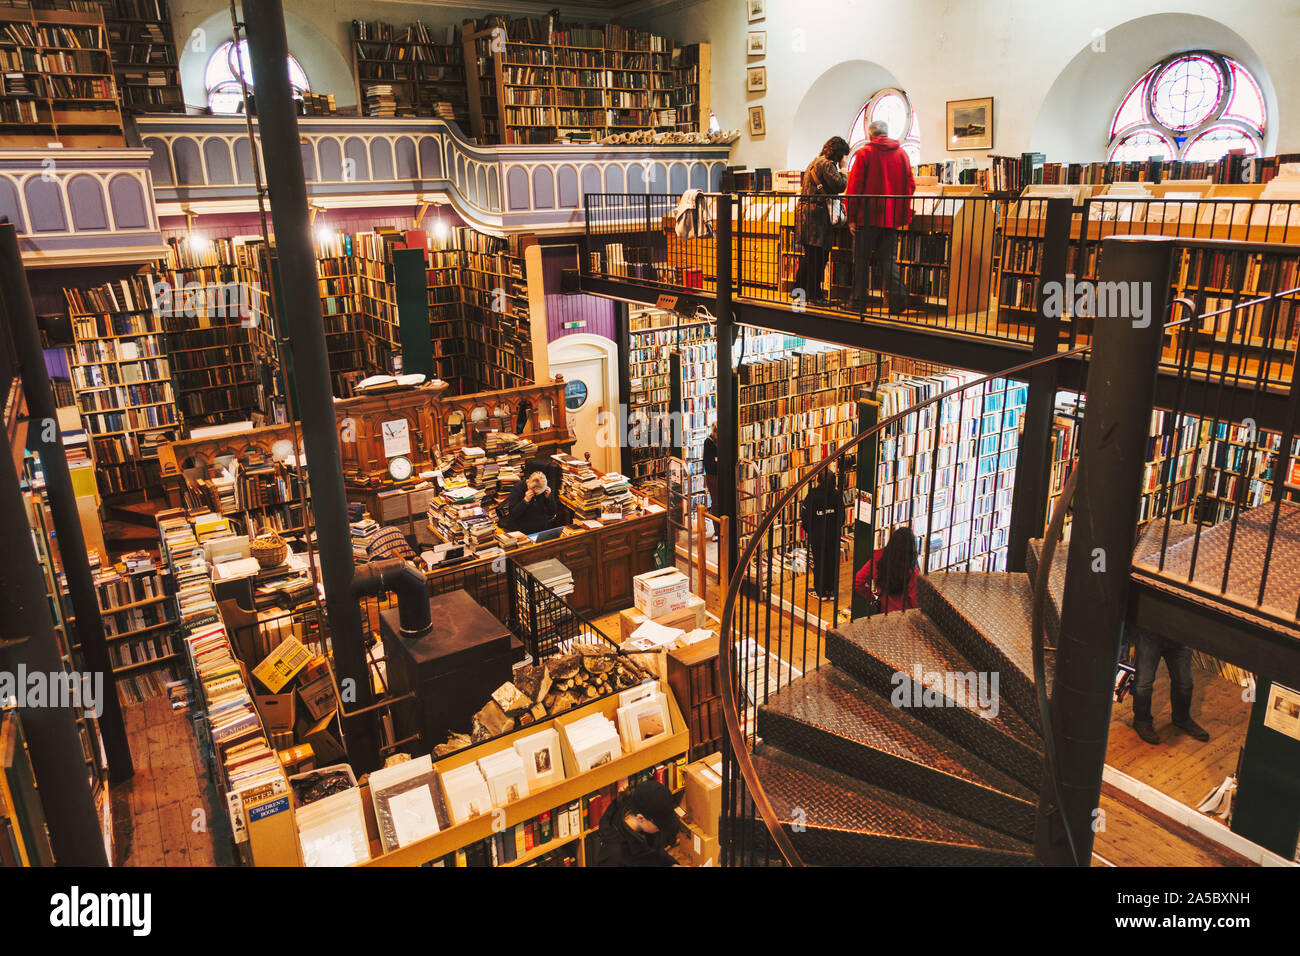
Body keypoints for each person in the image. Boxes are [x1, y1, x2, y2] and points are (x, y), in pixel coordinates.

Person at [846, 120, 916, 315]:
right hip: (890, 217)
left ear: (870, 135)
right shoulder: (902, 154)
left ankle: (858, 302)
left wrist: (851, 216)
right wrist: (901, 211)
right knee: (888, 260)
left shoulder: (864, 153)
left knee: (861, 260)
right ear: (887, 133)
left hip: (866, 217)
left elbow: (855, 187)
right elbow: (911, 184)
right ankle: (898, 300)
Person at [793, 136, 850, 306]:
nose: (844, 159)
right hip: (816, 216)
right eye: (843, 155)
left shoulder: (814, 162)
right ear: (838, 154)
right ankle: (815, 296)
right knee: (819, 257)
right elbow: (840, 185)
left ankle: (799, 291)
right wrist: (844, 172)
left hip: (806, 214)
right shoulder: (826, 164)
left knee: (810, 256)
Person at [1130, 626, 1210, 745]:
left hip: (1181, 635)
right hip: (1151, 633)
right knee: (1143, 683)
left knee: (1184, 683)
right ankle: (1141, 721)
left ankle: (1182, 719)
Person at [591, 780, 683, 867]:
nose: (660, 830)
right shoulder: (614, 856)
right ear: (640, 818)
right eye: (659, 826)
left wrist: (671, 864)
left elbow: (656, 852)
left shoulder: (646, 820)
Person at [800, 470, 844, 599]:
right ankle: (831, 591)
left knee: (819, 562)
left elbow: (805, 518)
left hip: (818, 536)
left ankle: (820, 591)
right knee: (832, 561)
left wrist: (812, 531)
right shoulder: (837, 495)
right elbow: (842, 517)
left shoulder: (812, 496)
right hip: (833, 535)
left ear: (818, 481)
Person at [854, 527, 919, 613]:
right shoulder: (912, 571)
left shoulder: (878, 558)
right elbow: (914, 601)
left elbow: (858, 581)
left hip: (884, 613)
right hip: (905, 616)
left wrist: (872, 597)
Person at [504, 466, 559, 535]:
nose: (536, 494)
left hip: (541, 528)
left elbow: (552, 512)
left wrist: (549, 497)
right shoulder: (518, 488)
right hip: (522, 529)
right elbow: (512, 515)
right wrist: (525, 501)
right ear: (529, 484)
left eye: (539, 492)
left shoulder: (544, 488)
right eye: (534, 492)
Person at [702, 421, 719, 540]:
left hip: (721, 475)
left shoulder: (724, 441)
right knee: (716, 503)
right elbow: (709, 465)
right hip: (713, 477)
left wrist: (718, 461)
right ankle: (717, 530)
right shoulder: (709, 442)